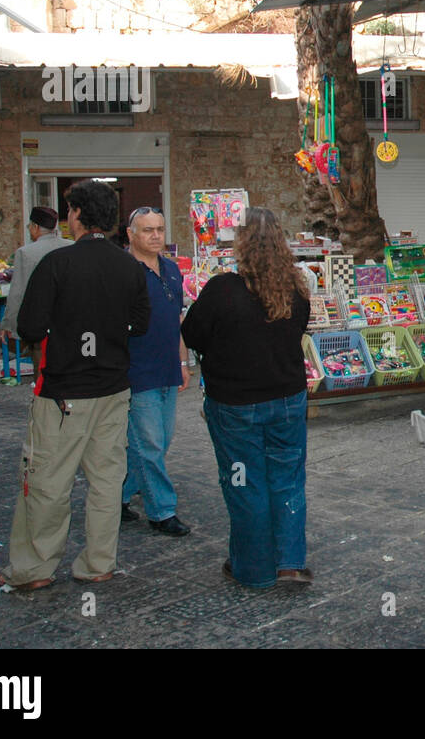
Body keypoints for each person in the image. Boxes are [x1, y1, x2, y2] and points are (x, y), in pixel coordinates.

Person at [0, 181, 150, 592]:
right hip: (113, 389)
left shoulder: (58, 264)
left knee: (46, 480)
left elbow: (29, 326)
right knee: (106, 480)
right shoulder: (130, 266)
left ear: (76, 214)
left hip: (64, 391)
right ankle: (99, 562)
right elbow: (141, 322)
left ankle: (33, 568)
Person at [182, 207, 312, 587]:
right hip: (287, 400)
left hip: (235, 405)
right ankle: (289, 563)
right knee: (287, 479)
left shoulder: (223, 289)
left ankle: (253, 569)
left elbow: (193, 335)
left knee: (244, 481)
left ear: (241, 243)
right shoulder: (295, 289)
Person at [120, 207, 192, 536]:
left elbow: (176, 320)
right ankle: (162, 511)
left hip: (167, 367)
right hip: (136, 370)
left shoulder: (172, 270)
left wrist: (183, 362)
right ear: (131, 234)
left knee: (159, 441)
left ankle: (115, 496)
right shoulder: (120, 270)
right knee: (149, 443)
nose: (156, 236)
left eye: (160, 229)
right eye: (148, 230)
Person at [0, 207, 73, 343]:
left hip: (40, 324)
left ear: (35, 227)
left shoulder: (26, 253)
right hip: (70, 322)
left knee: (42, 361)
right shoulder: (72, 246)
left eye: (29, 226)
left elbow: (18, 292)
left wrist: (9, 325)